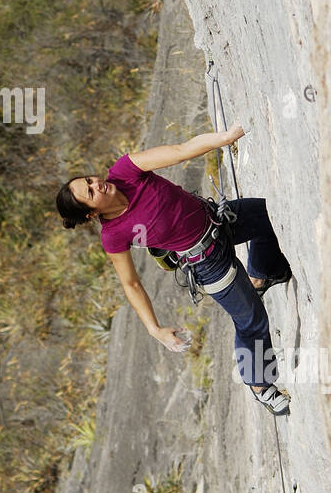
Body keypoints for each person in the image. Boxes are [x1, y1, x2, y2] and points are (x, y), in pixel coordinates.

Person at [55, 126, 293, 415]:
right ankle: (261, 386)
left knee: (269, 215)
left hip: (220, 220)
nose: (97, 184)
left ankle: (264, 273)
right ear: (91, 213)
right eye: (90, 192)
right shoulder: (113, 235)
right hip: (208, 262)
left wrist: (224, 138)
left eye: (90, 180)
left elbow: (181, 151)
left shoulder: (125, 170)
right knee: (252, 322)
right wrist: (154, 329)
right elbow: (131, 284)